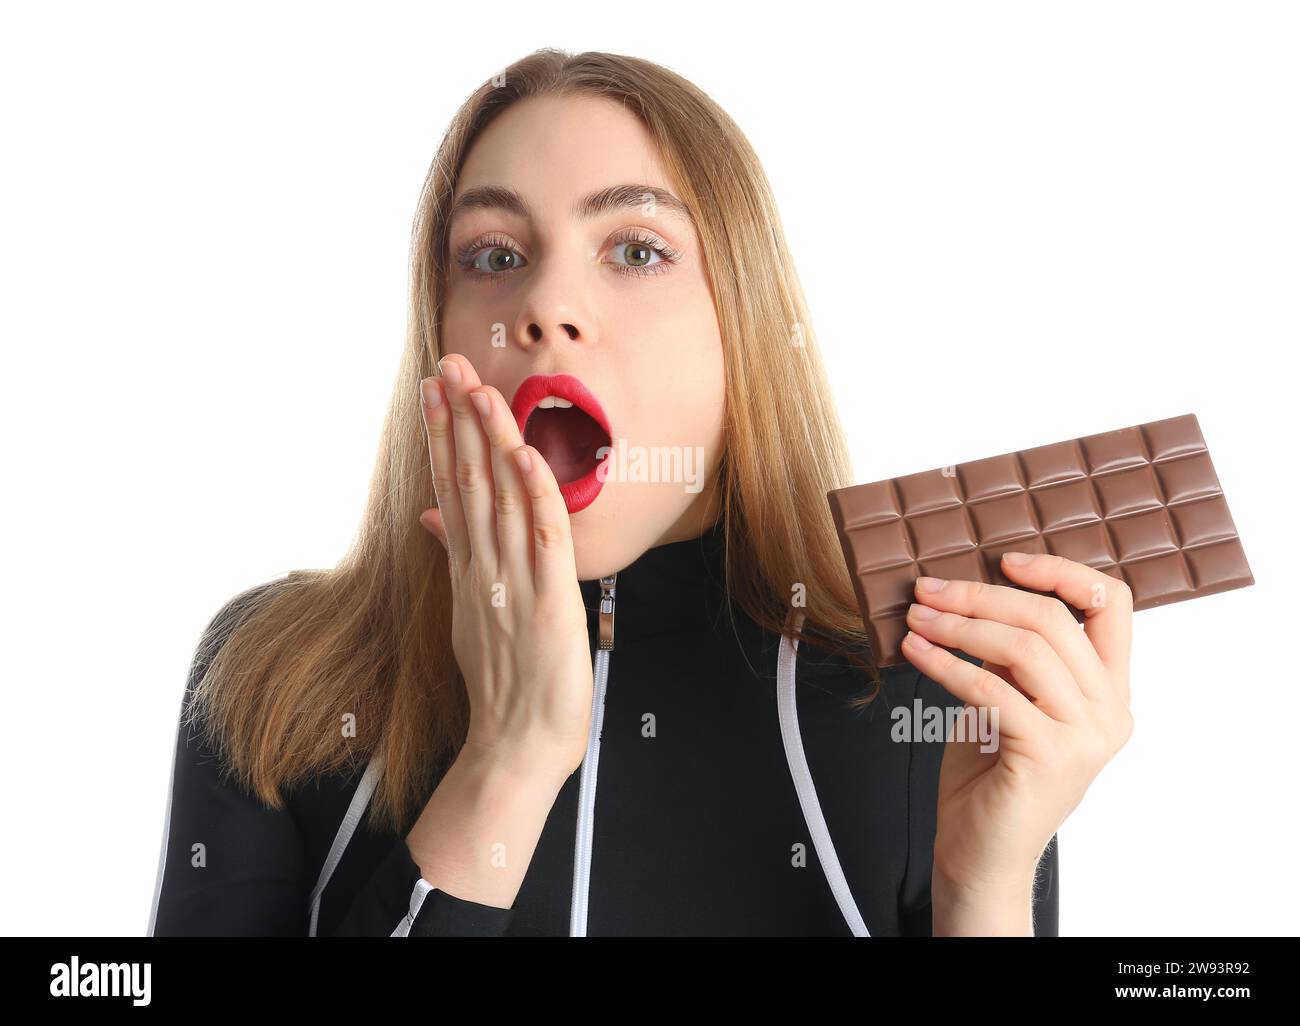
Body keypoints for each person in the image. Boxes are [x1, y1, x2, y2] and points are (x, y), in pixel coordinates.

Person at [148, 48, 1132, 937]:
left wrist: (986, 894)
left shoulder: (927, 690)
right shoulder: (274, 680)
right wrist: (506, 760)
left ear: (740, 322)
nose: (546, 308)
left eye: (635, 250)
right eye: (494, 256)